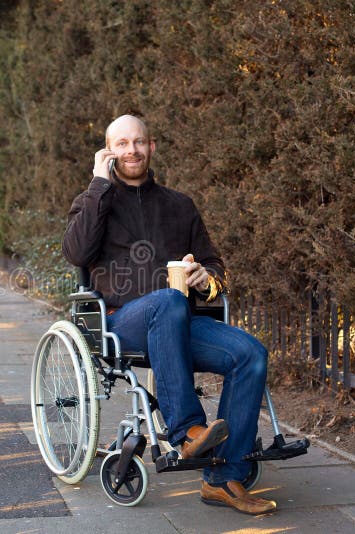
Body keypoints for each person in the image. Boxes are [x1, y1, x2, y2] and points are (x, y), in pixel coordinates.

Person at [62, 114, 276, 514]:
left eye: (138, 142)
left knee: (250, 354)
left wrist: (204, 277)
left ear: (151, 146)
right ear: (108, 152)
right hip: (121, 323)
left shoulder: (180, 205)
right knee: (168, 301)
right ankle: (186, 431)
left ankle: (223, 479)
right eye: (122, 144)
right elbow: (75, 253)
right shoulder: (95, 201)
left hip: (179, 322)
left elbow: (217, 268)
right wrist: (98, 184)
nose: (131, 150)